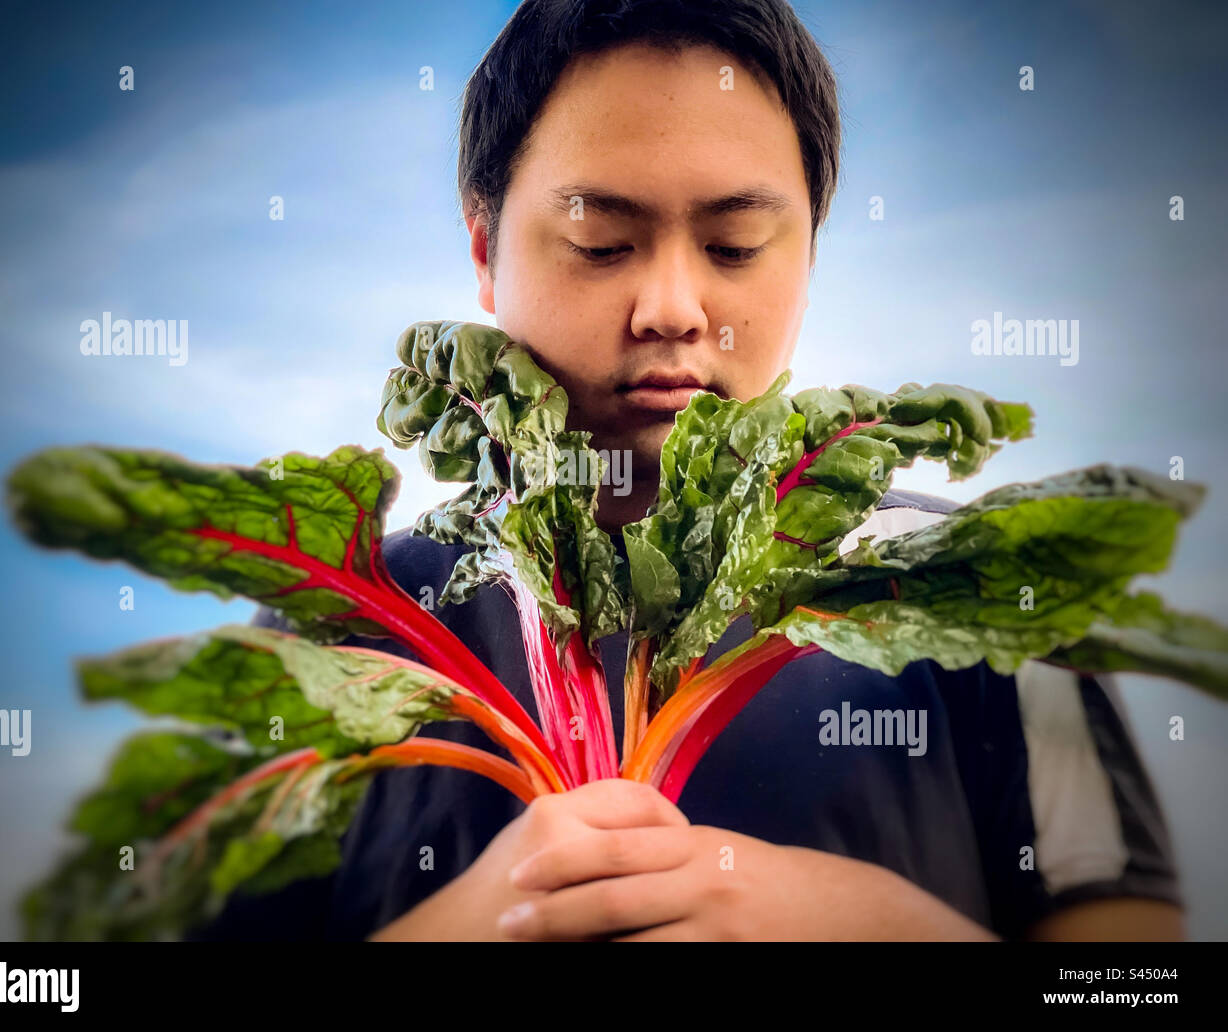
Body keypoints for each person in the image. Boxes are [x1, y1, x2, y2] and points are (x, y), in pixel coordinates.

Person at [191, 0, 1183, 941]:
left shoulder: (992, 593)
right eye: (601, 241)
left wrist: (878, 926)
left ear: (807, 253)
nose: (672, 304)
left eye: (734, 244)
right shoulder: (342, 626)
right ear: (484, 250)